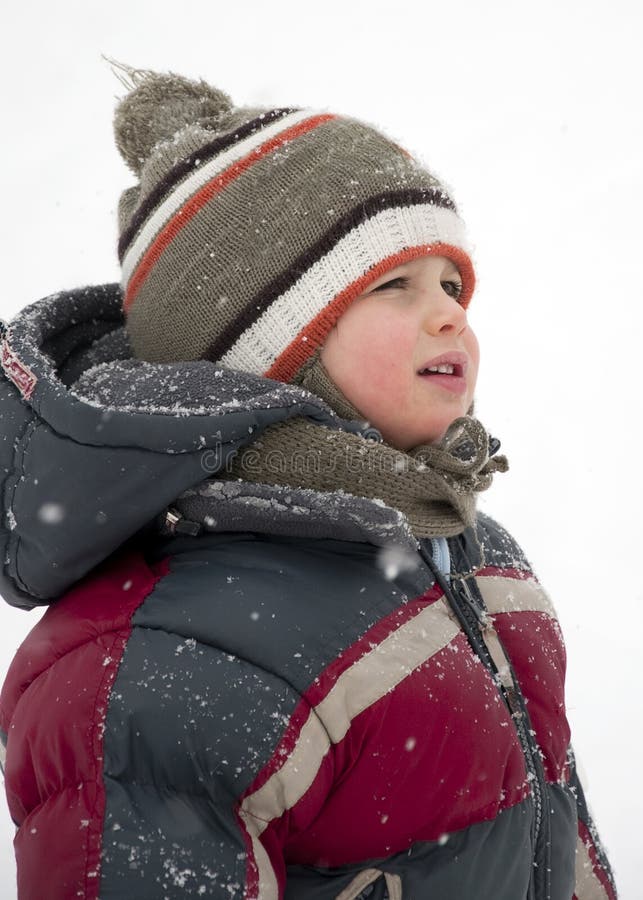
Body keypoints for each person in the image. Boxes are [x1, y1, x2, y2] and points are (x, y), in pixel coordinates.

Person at [0, 63, 616, 899]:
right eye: (392, 285)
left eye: (451, 284)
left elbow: (552, 822)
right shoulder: (159, 656)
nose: (449, 314)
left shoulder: (469, 545)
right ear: (265, 345)